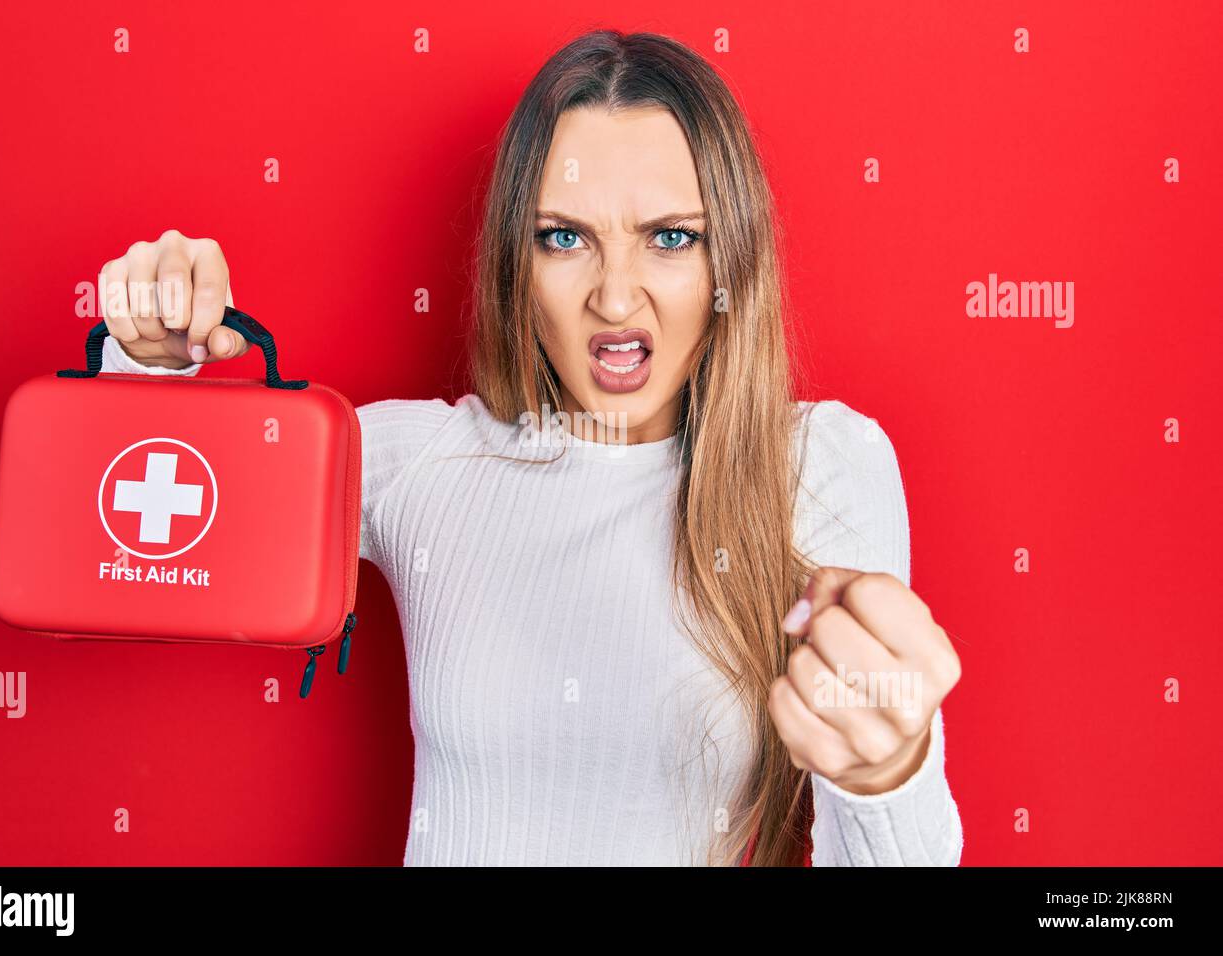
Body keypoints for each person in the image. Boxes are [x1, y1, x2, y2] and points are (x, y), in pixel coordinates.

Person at [90, 29, 963, 866]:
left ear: (729, 261)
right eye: (565, 237)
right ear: (517, 261)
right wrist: (146, 350)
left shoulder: (820, 465)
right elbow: (128, 546)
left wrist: (886, 770)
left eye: (669, 237)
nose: (616, 299)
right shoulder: (421, 462)